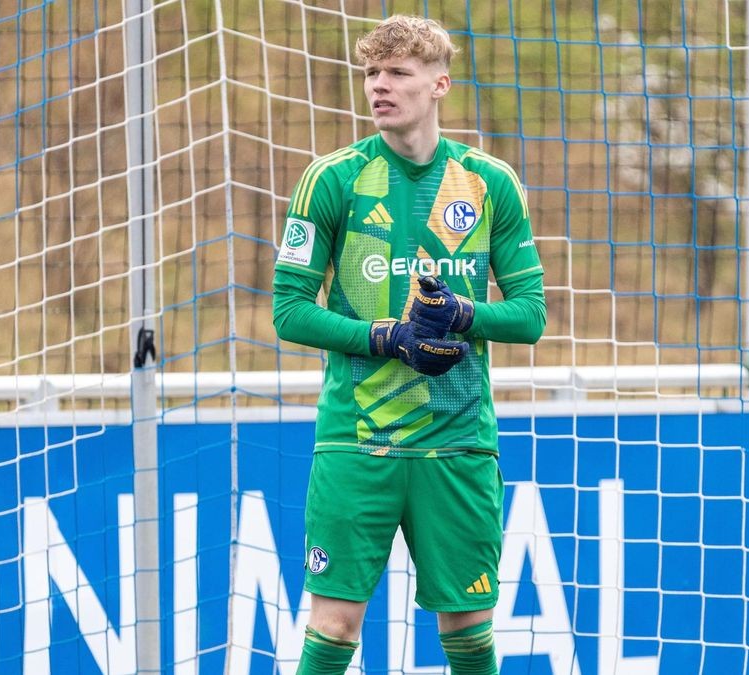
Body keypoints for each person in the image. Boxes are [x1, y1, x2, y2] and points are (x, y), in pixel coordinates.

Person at [271, 14, 546, 675]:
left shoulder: (489, 183)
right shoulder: (331, 180)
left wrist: (459, 313)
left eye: (398, 72)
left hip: (457, 442)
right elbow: (288, 311)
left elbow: (531, 315)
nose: (379, 86)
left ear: (440, 84)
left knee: (471, 630)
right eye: (371, 73)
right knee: (333, 626)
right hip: (357, 439)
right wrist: (386, 336)